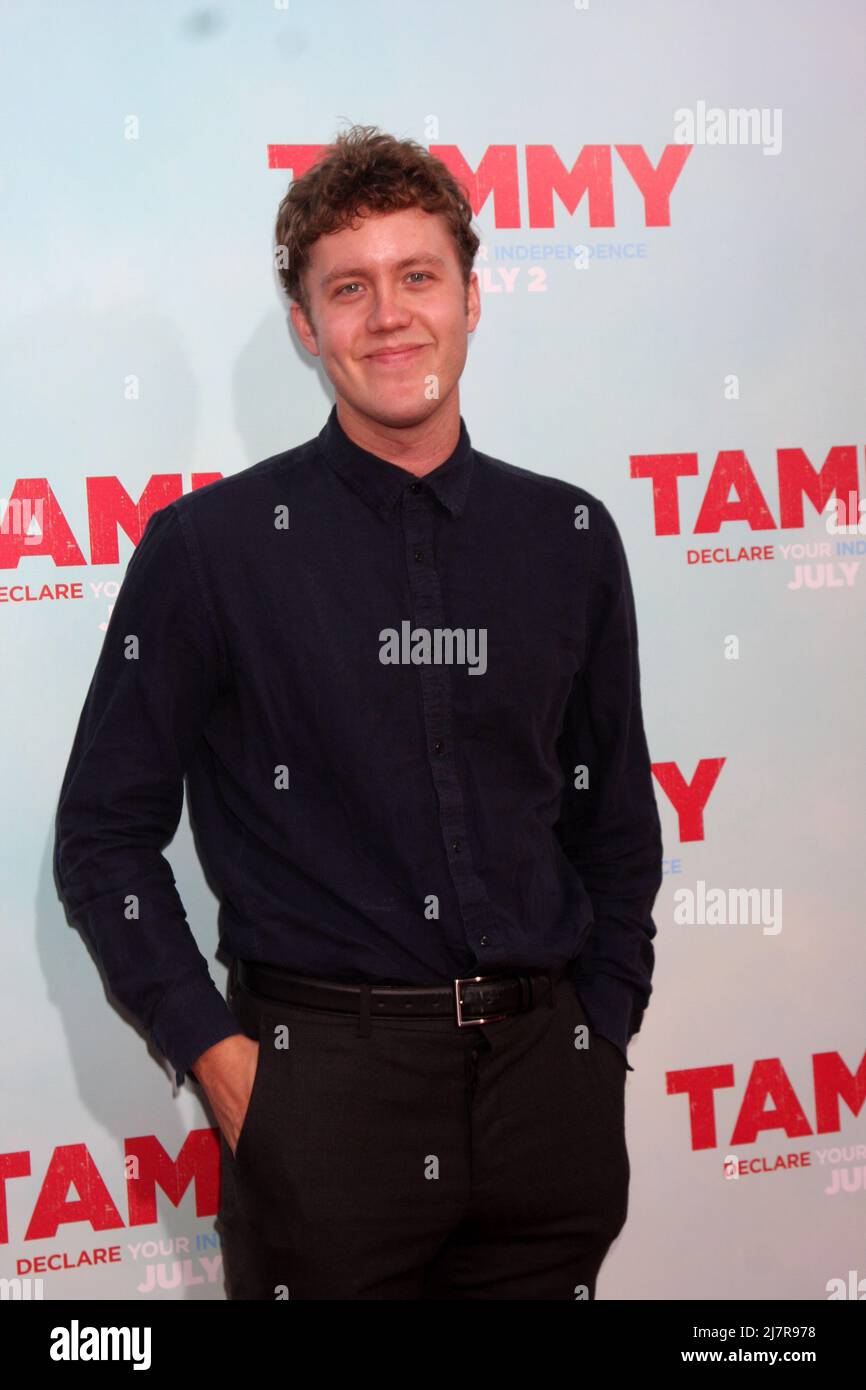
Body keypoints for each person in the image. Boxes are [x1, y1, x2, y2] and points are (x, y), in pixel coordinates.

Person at [54, 123, 663, 1300]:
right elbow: (102, 838)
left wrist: (599, 1031)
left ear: (471, 299)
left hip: (549, 1100)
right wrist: (226, 1066)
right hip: (319, 1100)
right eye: (349, 287)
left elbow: (613, 820)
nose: (389, 316)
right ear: (306, 325)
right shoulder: (208, 552)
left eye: (417, 276)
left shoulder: (569, 539)